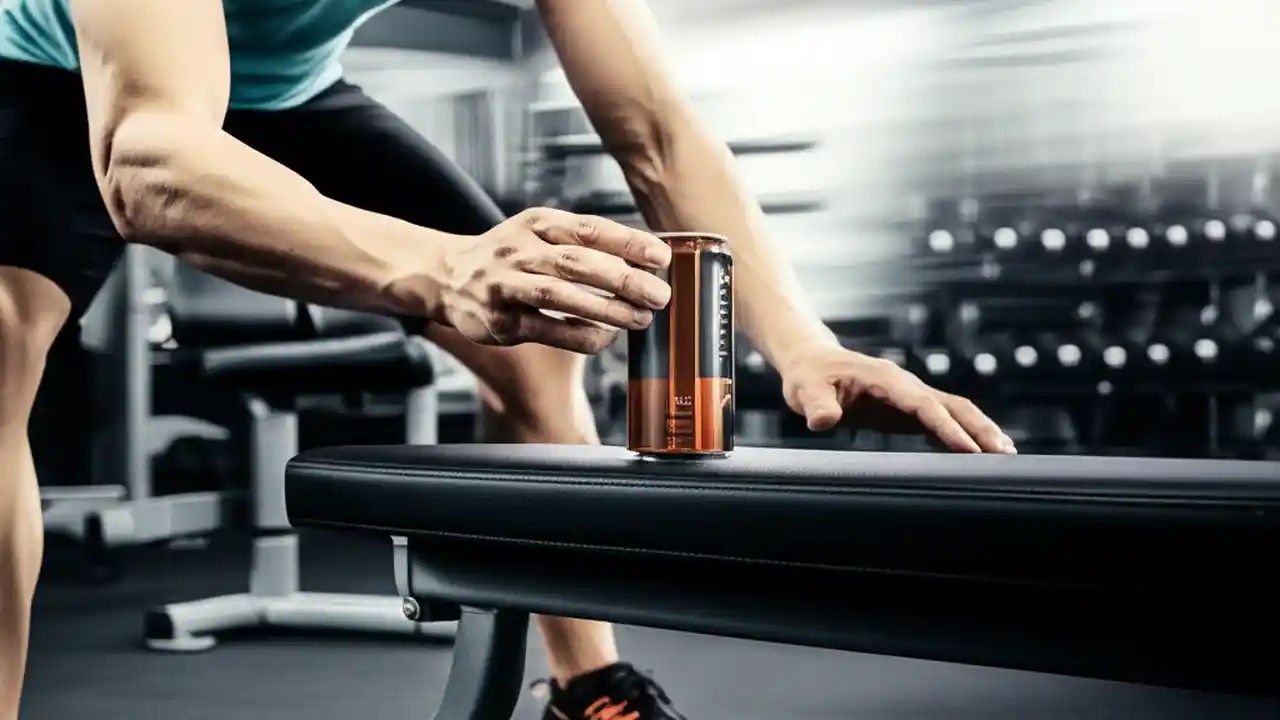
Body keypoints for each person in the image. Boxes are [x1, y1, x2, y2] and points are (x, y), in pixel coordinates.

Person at [0, 0, 1016, 718]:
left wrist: (802, 344)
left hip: (290, 91)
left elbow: (656, 133)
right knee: (4, 341)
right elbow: (149, 160)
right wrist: (446, 269)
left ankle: (589, 689)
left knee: (534, 354)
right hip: (45, 75)